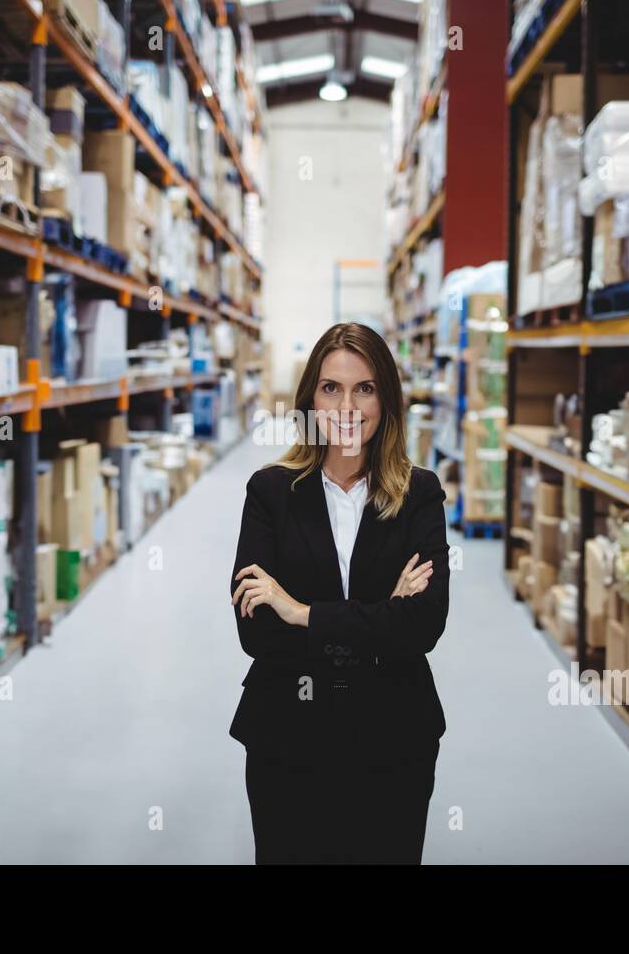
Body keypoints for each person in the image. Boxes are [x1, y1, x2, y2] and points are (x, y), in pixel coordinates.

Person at [229, 322, 450, 864]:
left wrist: (301, 611)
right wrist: (379, 619)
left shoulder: (419, 494)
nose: (347, 406)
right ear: (310, 400)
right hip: (289, 736)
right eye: (331, 388)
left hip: (393, 735)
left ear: (387, 400)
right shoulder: (271, 493)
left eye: (365, 389)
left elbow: (424, 624)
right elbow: (255, 631)